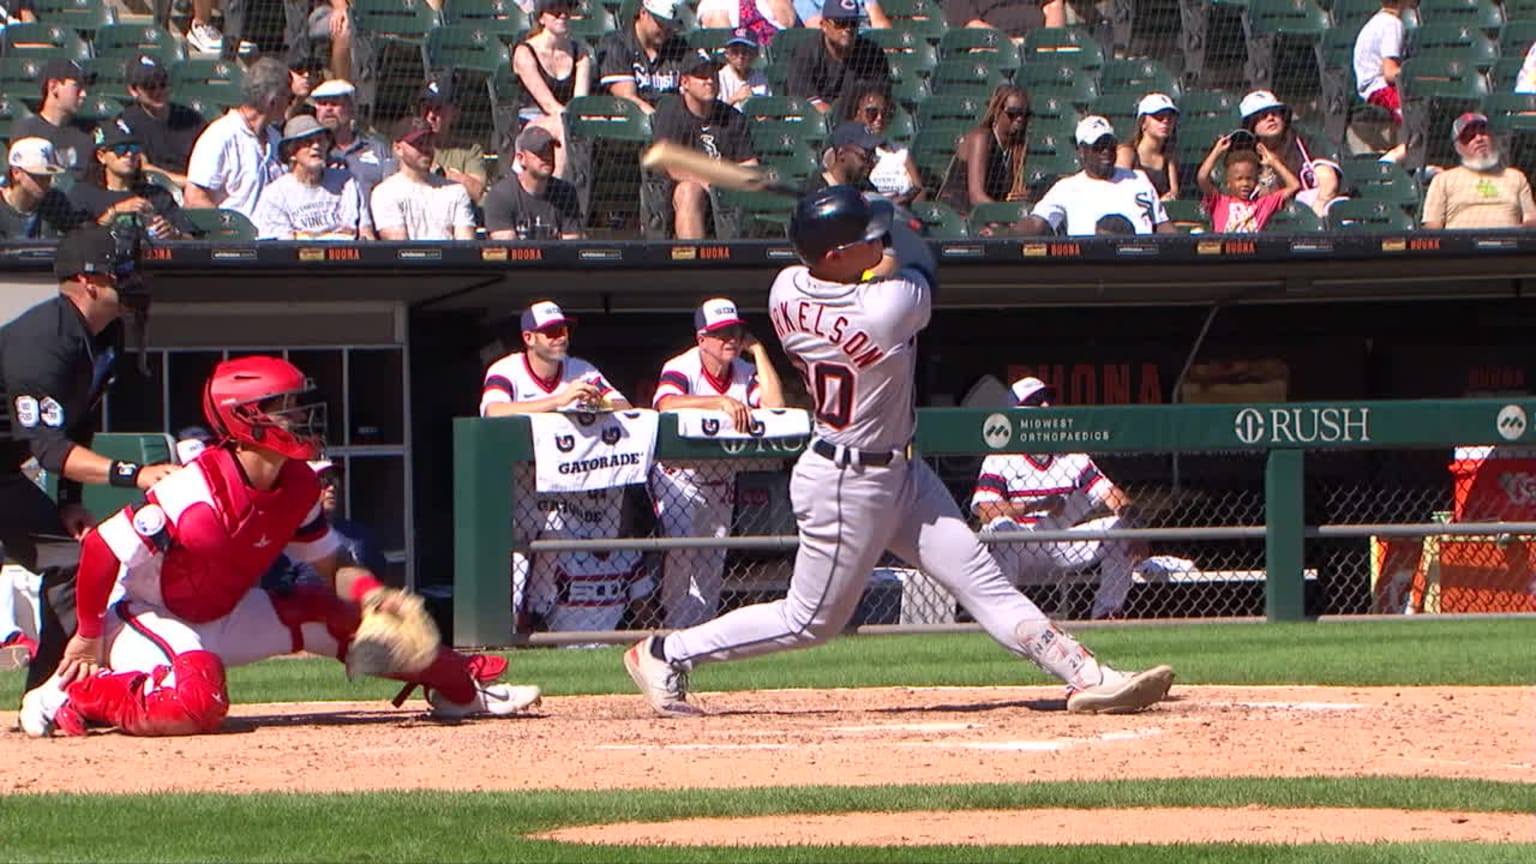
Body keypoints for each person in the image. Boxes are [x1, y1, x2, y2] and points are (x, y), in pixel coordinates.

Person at [622, 185, 1175, 717]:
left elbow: (866, 265)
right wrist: (891, 211)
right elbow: (915, 257)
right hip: (845, 483)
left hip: (900, 475)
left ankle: (1086, 675)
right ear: (835, 256)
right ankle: (664, 654)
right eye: (865, 237)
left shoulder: (786, 287)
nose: (878, 242)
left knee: (980, 576)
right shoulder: (885, 311)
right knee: (809, 621)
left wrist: (854, 213)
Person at [17, 355, 542, 738]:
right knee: (199, 703)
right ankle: (76, 692)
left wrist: (371, 595)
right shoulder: (191, 489)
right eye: (283, 407)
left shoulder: (298, 485)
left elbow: (330, 564)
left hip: (223, 612)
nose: (298, 417)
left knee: (332, 613)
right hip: (147, 613)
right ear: (243, 418)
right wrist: (86, 638)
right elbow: (103, 550)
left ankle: (460, 689)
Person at [0, 225, 179, 695]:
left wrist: (70, 501)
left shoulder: (105, 336)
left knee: (71, 559)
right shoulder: (40, 340)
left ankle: (52, 693)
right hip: (12, 467)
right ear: (88, 280)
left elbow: (75, 426)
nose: (134, 281)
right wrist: (137, 474)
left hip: (3, 474)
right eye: (122, 271)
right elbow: (51, 450)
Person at [478, 301, 635, 632]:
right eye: (550, 332)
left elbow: (625, 406)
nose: (560, 338)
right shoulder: (505, 370)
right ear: (529, 337)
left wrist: (600, 401)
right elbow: (494, 412)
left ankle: (536, 633)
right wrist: (558, 402)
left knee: (550, 567)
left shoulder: (582, 370)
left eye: (563, 331)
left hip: (560, 489)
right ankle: (502, 637)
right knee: (514, 568)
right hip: (513, 485)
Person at [648, 298, 786, 628]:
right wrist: (719, 402)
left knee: (713, 556)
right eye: (721, 333)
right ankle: (670, 628)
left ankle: (699, 629)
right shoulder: (681, 366)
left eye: (735, 332)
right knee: (681, 553)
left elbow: (776, 403)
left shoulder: (745, 370)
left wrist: (760, 351)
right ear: (702, 339)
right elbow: (666, 404)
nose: (730, 340)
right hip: (678, 477)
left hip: (721, 478)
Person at [971, 377, 1150, 621]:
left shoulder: (1072, 456)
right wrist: (1036, 505)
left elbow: (1113, 496)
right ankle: (1004, 618)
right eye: (1035, 402)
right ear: (1015, 413)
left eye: (1049, 400)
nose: (1045, 407)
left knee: (1120, 528)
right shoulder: (1000, 457)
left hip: (1059, 545)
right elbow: (985, 511)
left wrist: (1136, 528)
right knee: (998, 526)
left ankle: (1107, 614)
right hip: (1017, 545)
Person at [648, 54, 758, 240]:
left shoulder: (732, 117)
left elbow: (750, 164)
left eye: (713, 76)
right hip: (675, 193)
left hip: (727, 193)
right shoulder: (670, 109)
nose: (709, 81)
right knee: (689, 190)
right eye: (701, 76)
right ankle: (693, 264)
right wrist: (709, 182)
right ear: (685, 82)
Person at [1015, 116, 1175, 236]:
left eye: (1110, 144)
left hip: (1141, 263)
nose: (1105, 151)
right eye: (1098, 146)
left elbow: (1162, 224)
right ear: (1082, 151)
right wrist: (1003, 237)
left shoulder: (1138, 179)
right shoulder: (1067, 188)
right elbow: (1037, 222)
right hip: (1091, 265)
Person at [183, 57, 291, 220]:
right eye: (288, 98)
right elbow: (194, 200)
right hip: (234, 240)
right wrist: (230, 231)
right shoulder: (219, 136)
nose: (290, 104)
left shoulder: (276, 138)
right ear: (272, 102)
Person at [68, 120, 197, 241]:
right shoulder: (83, 194)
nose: (129, 154)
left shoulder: (157, 194)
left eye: (134, 148)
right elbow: (76, 242)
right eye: (120, 149)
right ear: (101, 156)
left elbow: (191, 241)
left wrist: (174, 235)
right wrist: (114, 212)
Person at [252, 115, 374, 242]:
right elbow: (281, 248)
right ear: (291, 153)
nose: (316, 146)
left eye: (321, 140)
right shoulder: (275, 194)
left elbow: (365, 231)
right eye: (308, 142)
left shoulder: (347, 181)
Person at [514, 0, 593, 179]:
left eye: (566, 8)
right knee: (563, 125)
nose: (562, 14)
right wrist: (572, 119)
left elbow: (579, 103)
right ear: (541, 17)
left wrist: (579, 120)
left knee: (567, 126)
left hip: (567, 122)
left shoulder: (580, 52)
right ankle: (557, 190)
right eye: (554, 10)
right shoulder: (525, 52)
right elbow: (549, 105)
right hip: (531, 121)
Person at [1421, 113, 1536, 231]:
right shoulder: (1443, 180)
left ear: (1492, 138)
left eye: (1483, 132)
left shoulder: (1516, 177)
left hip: (1508, 246)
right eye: (1469, 136)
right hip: (1461, 247)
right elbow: (1432, 226)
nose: (1479, 138)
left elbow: (1531, 220)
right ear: (1458, 147)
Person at [1238, 90, 1343, 218]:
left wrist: (1316, 211)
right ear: (1251, 125)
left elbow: (1328, 179)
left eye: (1275, 113)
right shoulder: (1247, 155)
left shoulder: (1304, 141)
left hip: (1314, 207)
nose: (1271, 118)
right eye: (1263, 115)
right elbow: (1265, 199)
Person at [369, 124, 478, 241]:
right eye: (418, 144)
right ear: (398, 148)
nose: (425, 149)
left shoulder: (456, 190)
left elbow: (465, 244)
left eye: (428, 143)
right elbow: (399, 249)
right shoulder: (385, 193)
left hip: (451, 259)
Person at [117, 55, 207, 189]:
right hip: (155, 190)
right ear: (133, 91)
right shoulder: (128, 121)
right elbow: (144, 167)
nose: (158, 91)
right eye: (150, 86)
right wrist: (189, 183)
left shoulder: (191, 119)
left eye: (163, 84)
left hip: (195, 187)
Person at [787, 0, 891, 115]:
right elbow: (805, 100)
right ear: (824, 25)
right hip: (814, 123)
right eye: (840, 22)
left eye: (853, 23)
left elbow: (876, 99)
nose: (848, 29)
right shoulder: (806, 52)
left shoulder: (872, 53)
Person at [484, 127, 585, 241]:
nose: (547, 156)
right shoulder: (501, 196)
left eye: (550, 150)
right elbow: (508, 251)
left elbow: (571, 247)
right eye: (539, 152)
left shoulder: (566, 193)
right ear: (521, 158)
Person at [943, 85, 1030, 215]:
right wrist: (1008, 215)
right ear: (997, 111)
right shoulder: (981, 139)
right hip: (959, 215)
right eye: (1013, 113)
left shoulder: (1016, 148)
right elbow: (976, 196)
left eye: (1024, 114)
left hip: (986, 215)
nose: (1019, 119)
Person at [597, 0, 693, 116]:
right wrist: (662, 122)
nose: (667, 31)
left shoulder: (678, 46)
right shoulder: (616, 43)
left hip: (673, 123)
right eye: (661, 24)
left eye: (671, 26)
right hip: (633, 127)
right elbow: (628, 99)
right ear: (643, 13)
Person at [11, 59, 99, 182]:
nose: (83, 94)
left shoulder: (88, 132)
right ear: (53, 87)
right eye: (77, 86)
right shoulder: (28, 131)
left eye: (85, 87)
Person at [309, 79, 393, 199]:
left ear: (351, 108)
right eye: (323, 103)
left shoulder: (377, 148)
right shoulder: (310, 151)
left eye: (335, 103)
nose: (328, 108)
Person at [1197, 138, 1301, 234]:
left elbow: (1294, 185)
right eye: (1239, 179)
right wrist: (1216, 152)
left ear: (1256, 181)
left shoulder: (1262, 205)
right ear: (1228, 182)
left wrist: (1273, 162)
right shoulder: (1219, 202)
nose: (1245, 184)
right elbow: (1202, 177)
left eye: (1249, 179)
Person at [844, 85, 923, 206]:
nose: (879, 118)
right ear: (858, 115)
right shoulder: (848, 153)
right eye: (872, 113)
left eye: (884, 113)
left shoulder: (899, 152)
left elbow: (919, 190)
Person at [1353, 0, 1409, 163]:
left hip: (1373, 88)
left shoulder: (1377, 21)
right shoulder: (1392, 24)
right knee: (1417, 115)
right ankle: (1388, 163)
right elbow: (1390, 73)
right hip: (1379, 89)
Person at [416, 79, 488, 203]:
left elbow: (477, 192)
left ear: (454, 112)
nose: (430, 116)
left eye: (438, 108)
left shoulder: (470, 149)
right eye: (426, 109)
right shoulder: (410, 147)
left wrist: (439, 173)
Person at [0, 139, 87, 240]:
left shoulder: (55, 202)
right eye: (38, 176)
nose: (46, 182)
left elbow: (76, 239)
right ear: (16, 173)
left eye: (48, 176)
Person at [1116, 93, 1180, 201]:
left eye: (1170, 116)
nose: (1165, 121)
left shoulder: (1168, 159)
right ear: (1143, 122)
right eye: (1158, 116)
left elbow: (1174, 193)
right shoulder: (1126, 153)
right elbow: (1118, 190)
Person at [804, 121, 881, 194]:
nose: (870, 164)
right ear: (841, 153)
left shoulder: (868, 192)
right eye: (864, 157)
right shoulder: (811, 194)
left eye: (873, 158)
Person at [941, 0, 1066, 40]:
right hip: (993, 51)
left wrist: (1050, 43)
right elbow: (969, 24)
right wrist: (1010, 45)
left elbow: (1053, 5)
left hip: (1039, 47)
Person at [697, 0, 796, 45]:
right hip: (748, 54)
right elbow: (725, 42)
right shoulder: (713, 3)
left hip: (784, 45)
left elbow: (788, 22)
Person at [717, 29, 771, 109]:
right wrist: (734, 99)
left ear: (755, 54)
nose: (740, 56)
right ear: (727, 54)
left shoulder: (761, 78)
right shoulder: (719, 78)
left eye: (745, 52)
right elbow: (713, 115)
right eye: (735, 51)